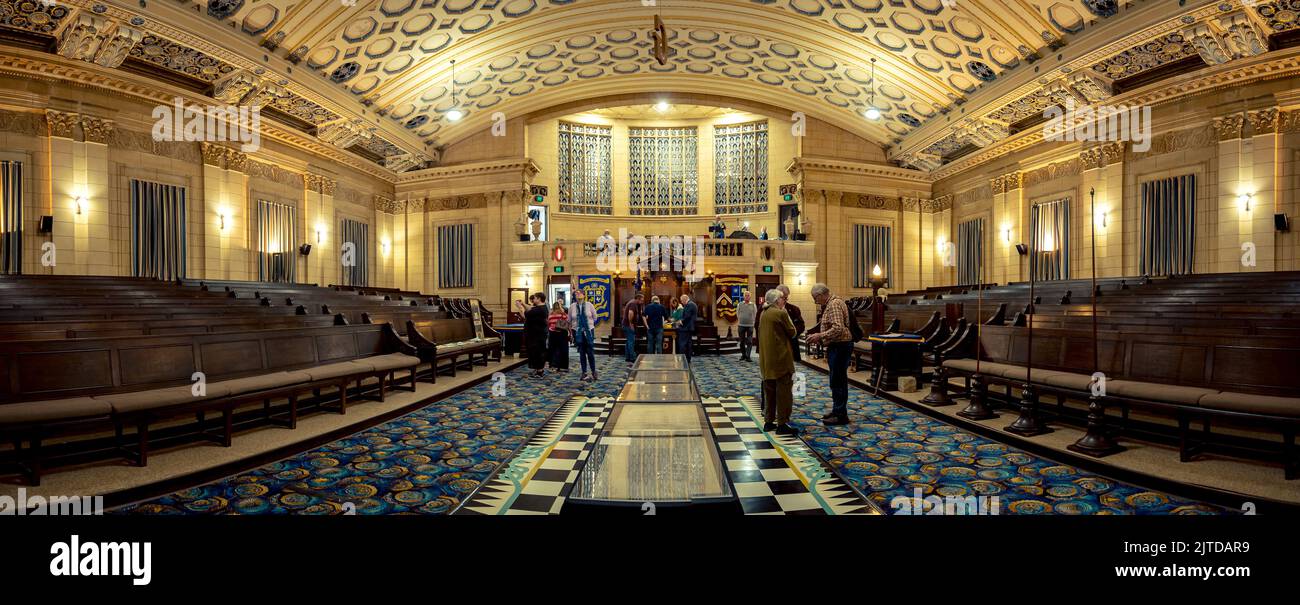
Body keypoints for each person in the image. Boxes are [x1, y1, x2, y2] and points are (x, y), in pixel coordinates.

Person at [806, 283, 853, 426]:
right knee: (836, 380)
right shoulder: (833, 303)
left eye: (815, 298)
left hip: (840, 346)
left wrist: (820, 336)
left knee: (838, 381)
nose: (815, 301)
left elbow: (838, 328)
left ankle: (840, 415)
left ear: (821, 295)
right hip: (838, 345)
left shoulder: (833, 304)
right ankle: (837, 410)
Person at [758, 289, 798, 435]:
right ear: (776, 300)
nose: (784, 301)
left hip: (767, 359)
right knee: (784, 393)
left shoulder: (764, 313)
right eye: (782, 298)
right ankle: (782, 423)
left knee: (770, 391)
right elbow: (792, 332)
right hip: (781, 359)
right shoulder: (781, 313)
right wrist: (786, 314)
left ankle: (769, 421)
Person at [516, 293, 549, 378]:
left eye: (534, 298)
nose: (533, 300)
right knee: (536, 351)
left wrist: (520, 307)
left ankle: (539, 371)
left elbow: (524, 315)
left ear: (539, 299)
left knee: (537, 352)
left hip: (536, 334)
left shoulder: (539, 309)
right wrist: (523, 304)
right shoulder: (540, 308)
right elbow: (530, 308)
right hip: (536, 334)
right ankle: (538, 369)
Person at [569, 289, 599, 382]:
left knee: (590, 352)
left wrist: (587, 326)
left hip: (588, 331)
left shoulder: (589, 305)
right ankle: (584, 372)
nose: (577, 294)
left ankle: (593, 371)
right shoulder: (572, 306)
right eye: (576, 293)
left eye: (579, 293)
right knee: (582, 352)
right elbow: (569, 319)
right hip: (577, 332)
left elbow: (595, 317)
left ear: (584, 295)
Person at [777, 284, 805, 362]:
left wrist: (792, 332)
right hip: (776, 344)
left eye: (786, 297)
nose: (785, 300)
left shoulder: (794, 309)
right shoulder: (768, 309)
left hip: (791, 343)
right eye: (783, 298)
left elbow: (801, 325)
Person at [547, 301, 570, 372]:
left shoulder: (550, 315)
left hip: (553, 333)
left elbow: (548, 324)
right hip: (561, 333)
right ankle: (563, 367)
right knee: (563, 350)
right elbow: (567, 320)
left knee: (553, 350)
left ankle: (553, 366)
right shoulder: (562, 315)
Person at [676, 294, 698, 362]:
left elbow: (687, 316)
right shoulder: (692, 304)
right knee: (688, 344)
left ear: (685, 299)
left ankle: (683, 359)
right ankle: (687, 359)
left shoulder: (689, 305)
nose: (681, 302)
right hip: (689, 328)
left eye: (682, 301)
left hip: (685, 328)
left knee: (682, 344)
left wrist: (680, 321)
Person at [736, 290, 757, 362]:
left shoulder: (753, 305)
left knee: (749, 341)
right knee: (741, 341)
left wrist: (753, 322)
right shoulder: (740, 304)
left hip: (750, 325)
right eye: (746, 295)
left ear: (750, 297)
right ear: (743, 296)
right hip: (741, 325)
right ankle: (743, 355)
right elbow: (737, 313)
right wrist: (740, 319)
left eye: (748, 295)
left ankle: (748, 356)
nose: (747, 297)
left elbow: (755, 314)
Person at [623, 293, 643, 363]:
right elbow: (630, 313)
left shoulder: (633, 302)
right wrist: (631, 323)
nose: (642, 301)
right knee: (631, 341)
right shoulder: (633, 304)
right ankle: (632, 357)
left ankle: (628, 357)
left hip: (626, 324)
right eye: (641, 300)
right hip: (628, 325)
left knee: (628, 341)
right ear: (638, 299)